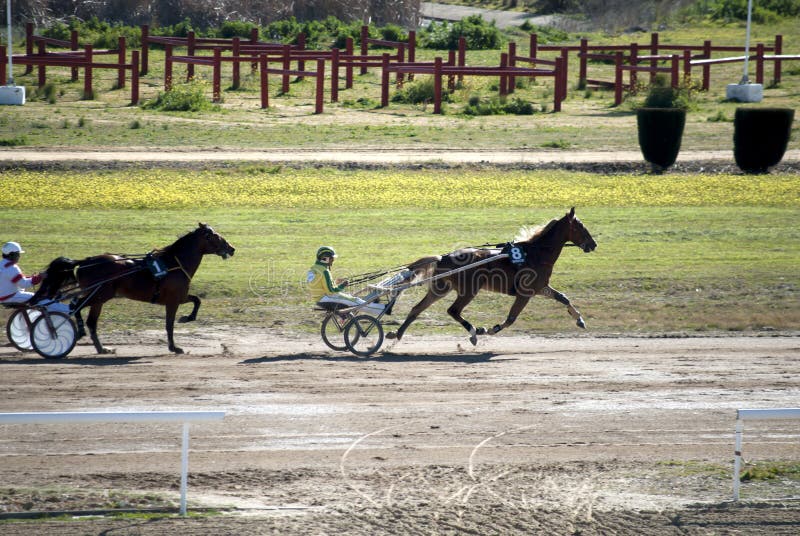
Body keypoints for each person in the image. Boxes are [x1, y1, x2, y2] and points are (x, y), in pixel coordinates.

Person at [307, 246, 384, 315]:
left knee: (352, 299)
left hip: (319, 299)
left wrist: (335, 282)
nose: (333, 260)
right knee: (355, 301)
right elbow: (331, 291)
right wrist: (342, 285)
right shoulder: (324, 271)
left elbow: (320, 285)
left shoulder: (314, 268)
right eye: (331, 258)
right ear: (325, 259)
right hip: (326, 298)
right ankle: (384, 309)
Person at [0, 242, 69, 314]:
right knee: (40, 299)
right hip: (11, 296)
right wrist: (39, 277)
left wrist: (34, 277)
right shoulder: (11, 267)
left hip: (6, 296)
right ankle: (67, 310)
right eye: (18, 254)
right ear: (11, 254)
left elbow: (17, 279)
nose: (19, 256)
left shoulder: (2, 264)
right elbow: (24, 284)